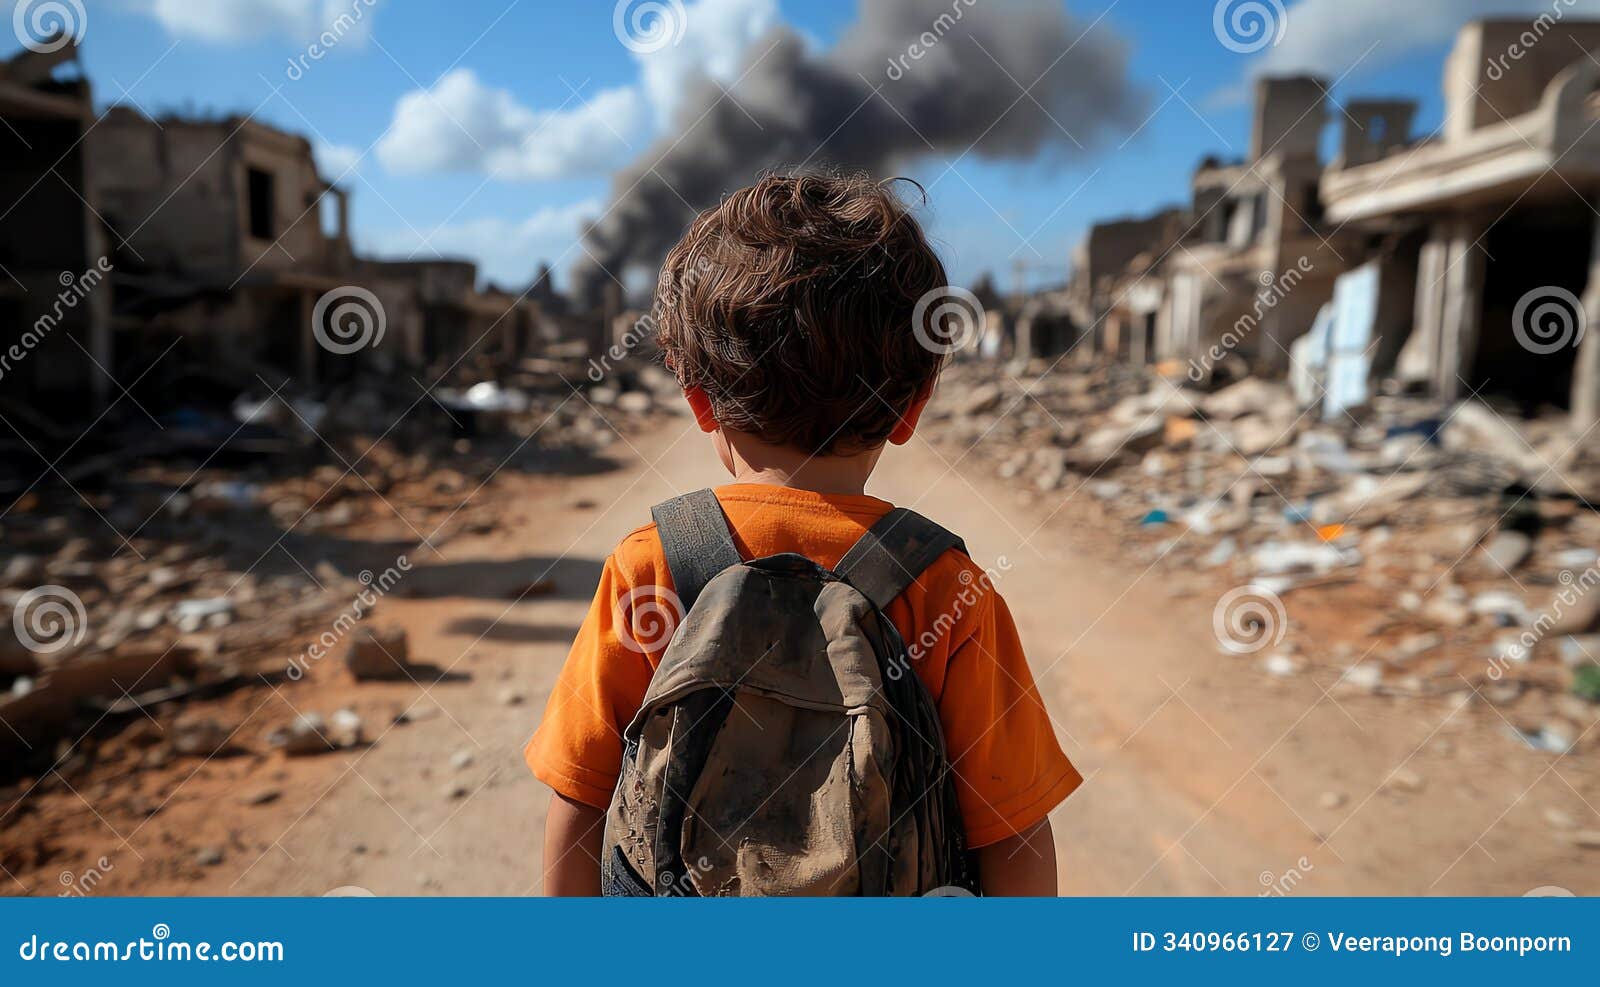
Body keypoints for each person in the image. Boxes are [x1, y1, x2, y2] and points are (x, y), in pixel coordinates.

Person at [526, 171, 1080, 896]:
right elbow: (1013, 832)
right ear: (912, 407)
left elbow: (580, 800)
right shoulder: (944, 586)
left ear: (699, 402)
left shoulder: (651, 566)